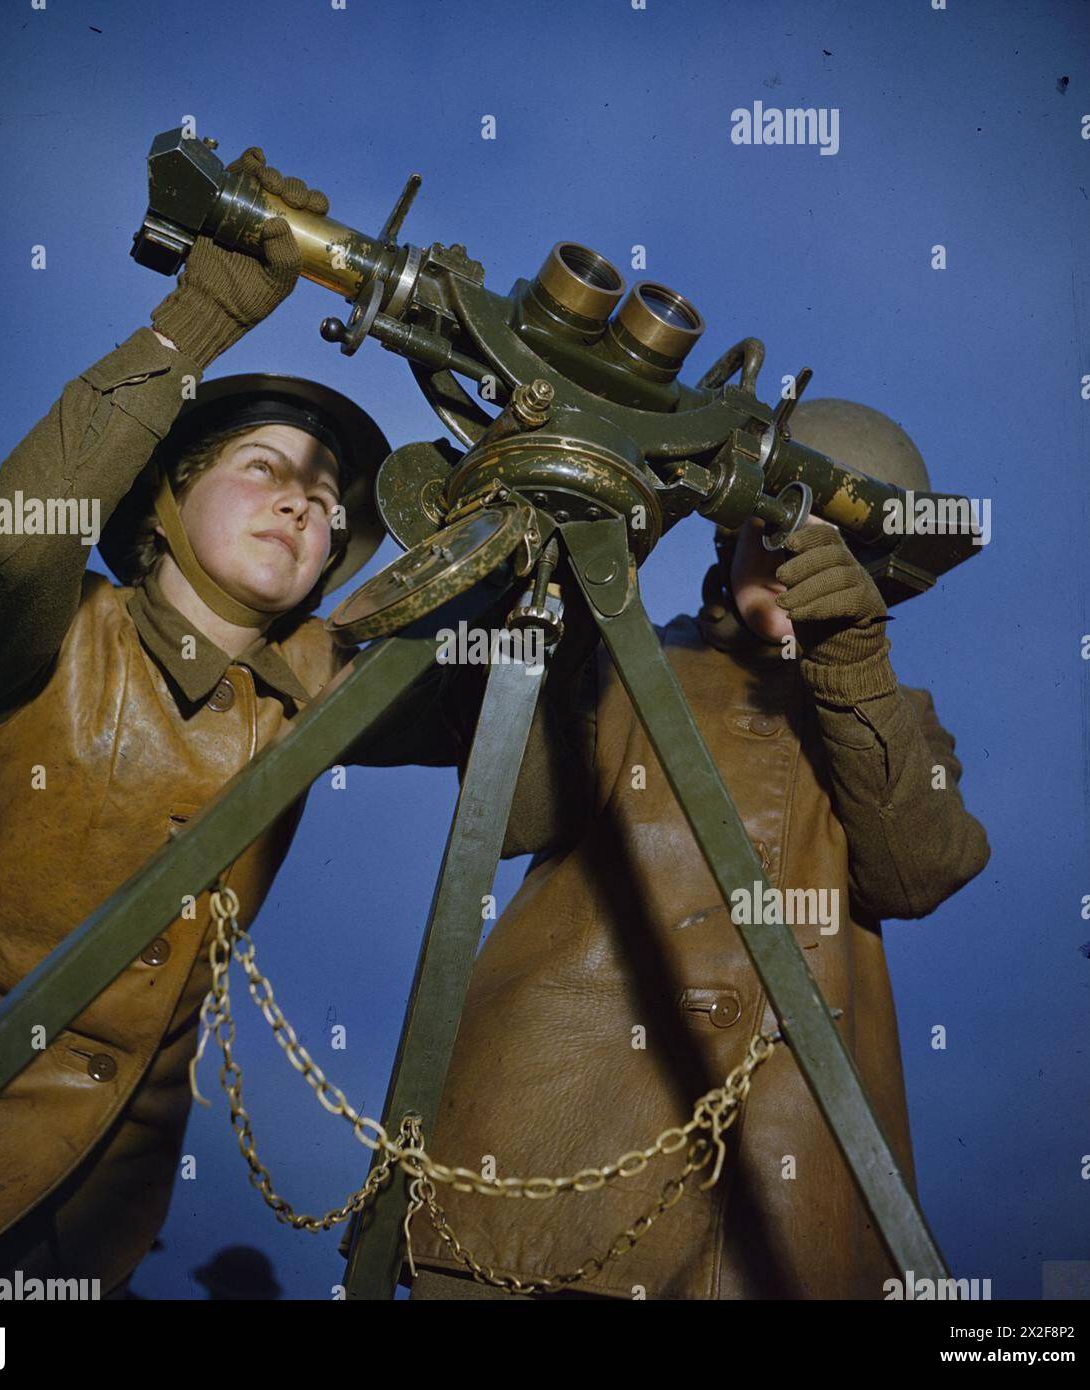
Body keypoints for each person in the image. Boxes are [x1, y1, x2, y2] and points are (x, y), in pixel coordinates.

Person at [0, 147, 480, 1301]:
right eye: (264, 465)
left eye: (330, 494)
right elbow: (8, 546)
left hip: (89, 1234)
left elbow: (517, 753)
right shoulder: (55, 635)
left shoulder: (327, 689)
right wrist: (201, 314)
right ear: (162, 495)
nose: (308, 495)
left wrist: (520, 516)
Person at [405, 398, 991, 1300]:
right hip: (537, 1176)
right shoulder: (619, 664)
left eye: (842, 545)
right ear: (729, 533)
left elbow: (919, 867)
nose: (805, 560)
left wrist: (852, 666)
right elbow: (514, 816)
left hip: (780, 1208)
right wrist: (558, 597)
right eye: (785, 526)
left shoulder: (896, 718)